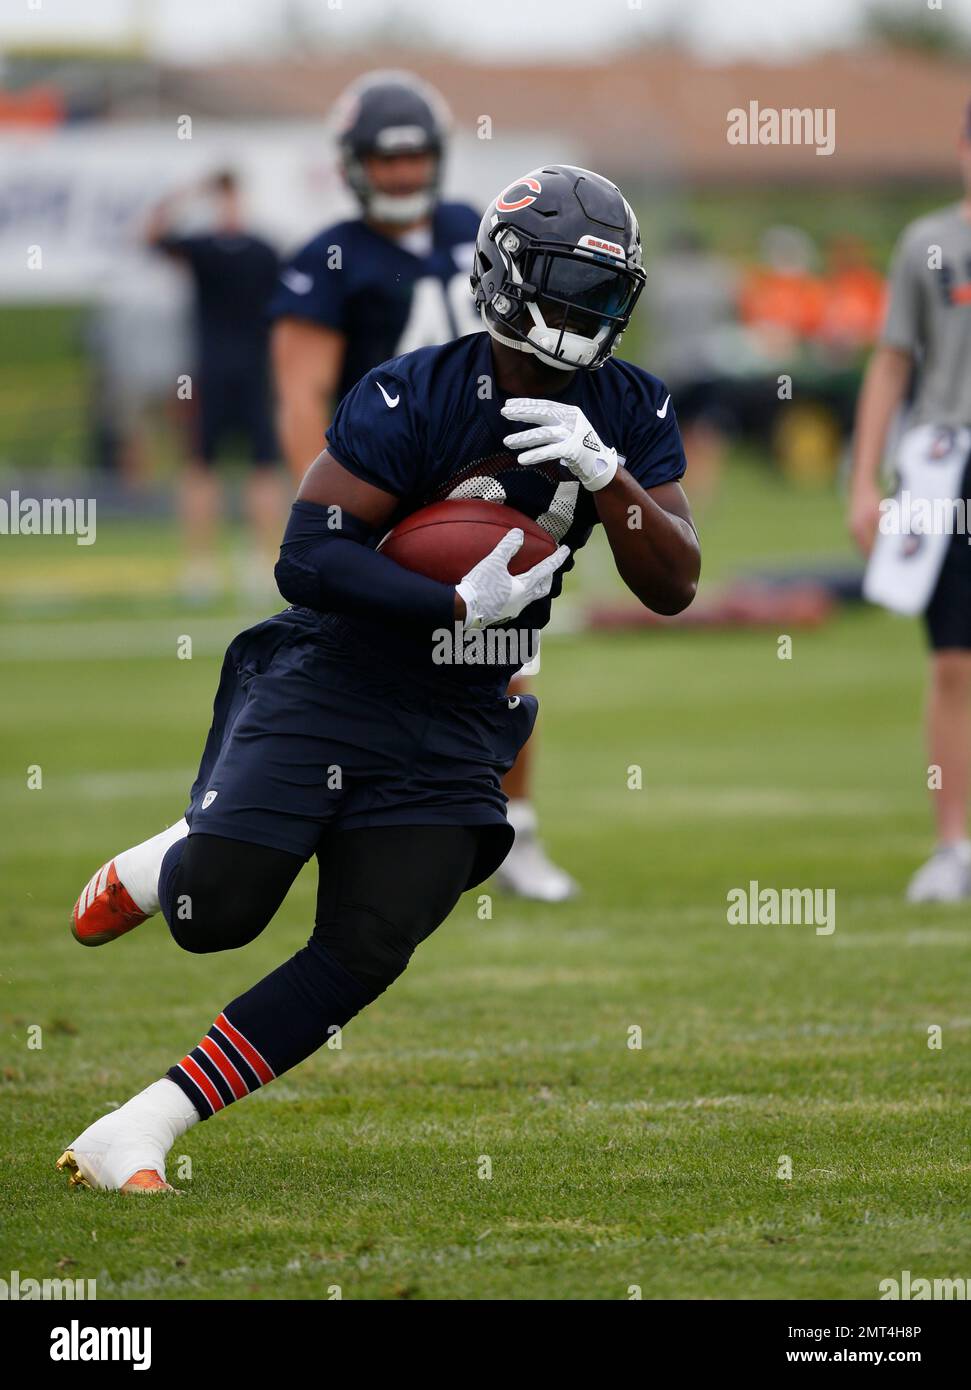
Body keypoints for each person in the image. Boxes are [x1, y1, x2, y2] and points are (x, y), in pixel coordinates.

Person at [58, 164, 699, 1193]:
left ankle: (138, 1126)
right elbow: (306, 555)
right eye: (562, 284)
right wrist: (446, 604)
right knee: (210, 915)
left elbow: (674, 581)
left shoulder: (625, 407)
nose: (583, 313)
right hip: (337, 674)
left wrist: (604, 474)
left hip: (465, 703)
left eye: (601, 292)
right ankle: (167, 858)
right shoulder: (415, 388)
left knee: (371, 938)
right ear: (501, 278)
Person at [270, 69, 574, 900]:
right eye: (386, 160)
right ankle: (319, 828)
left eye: (415, 159)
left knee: (507, 655)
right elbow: (300, 395)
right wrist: (323, 513)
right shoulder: (327, 259)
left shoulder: (476, 232)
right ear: (354, 162)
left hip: (477, 482)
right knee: (354, 667)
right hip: (380, 481)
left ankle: (516, 834)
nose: (403, 176)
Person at [849, 99, 971, 902]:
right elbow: (892, 362)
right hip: (944, 463)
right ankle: (953, 846)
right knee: (953, 661)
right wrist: (864, 479)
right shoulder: (929, 245)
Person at [146, 171, 284, 601]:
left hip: (252, 372)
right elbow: (151, 238)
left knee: (263, 466)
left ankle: (262, 561)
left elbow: (153, 232)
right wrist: (189, 195)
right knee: (201, 465)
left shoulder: (262, 251)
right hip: (212, 374)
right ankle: (200, 564)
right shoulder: (208, 248)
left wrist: (186, 194)